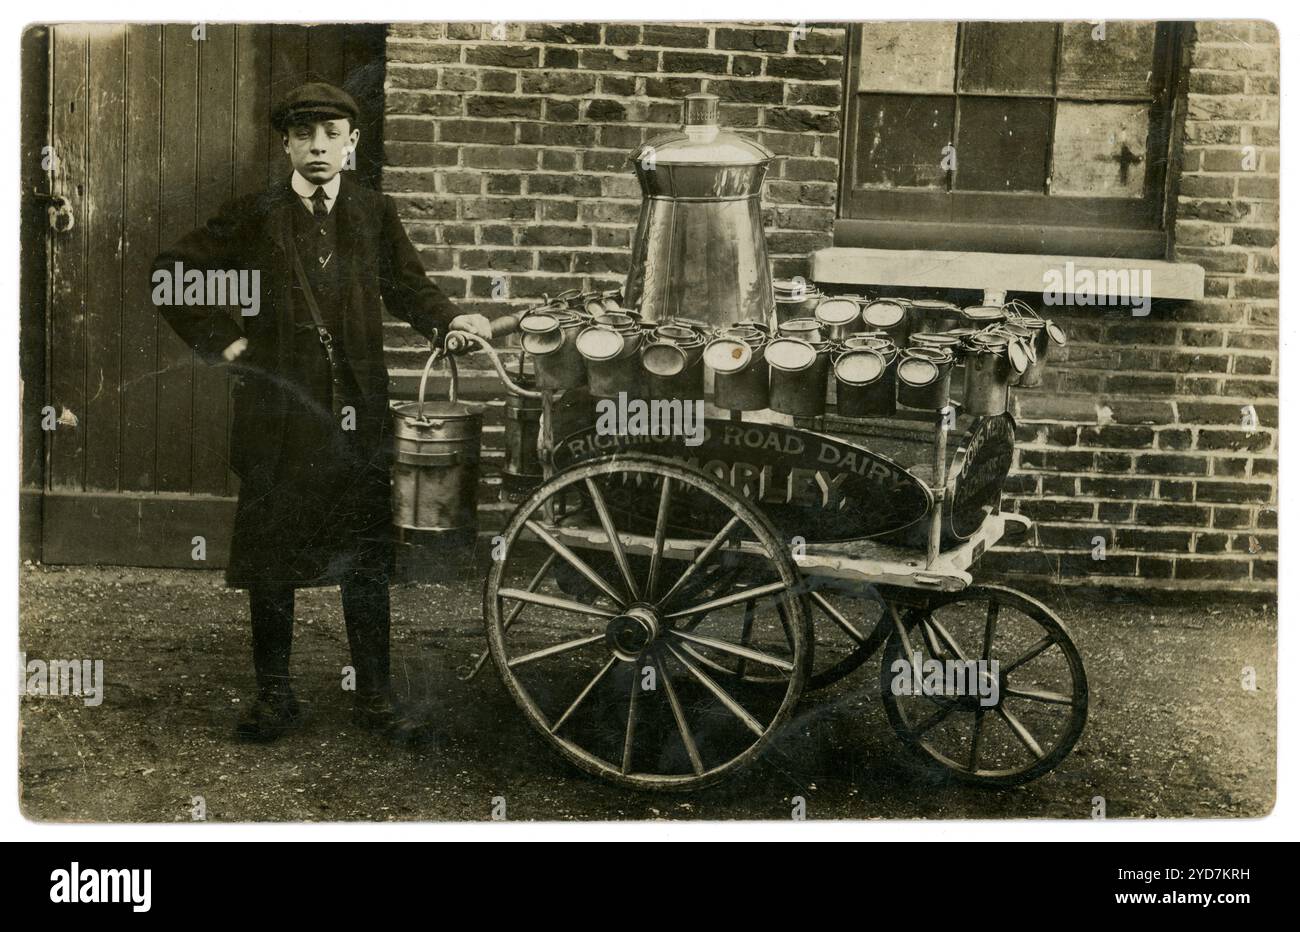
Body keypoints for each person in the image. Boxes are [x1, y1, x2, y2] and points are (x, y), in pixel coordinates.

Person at [153, 82, 492, 743]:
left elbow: (408, 287)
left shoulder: (371, 212)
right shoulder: (255, 214)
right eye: (304, 134)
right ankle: (275, 698)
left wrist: (448, 321)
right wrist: (227, 341)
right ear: (285, 143)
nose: (317, 146)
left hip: (356, 420)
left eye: (331, 133)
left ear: (352, 142)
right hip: (277, 423)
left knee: (365, 561)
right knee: (272, 563)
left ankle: (374, 697)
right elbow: (173, 272)